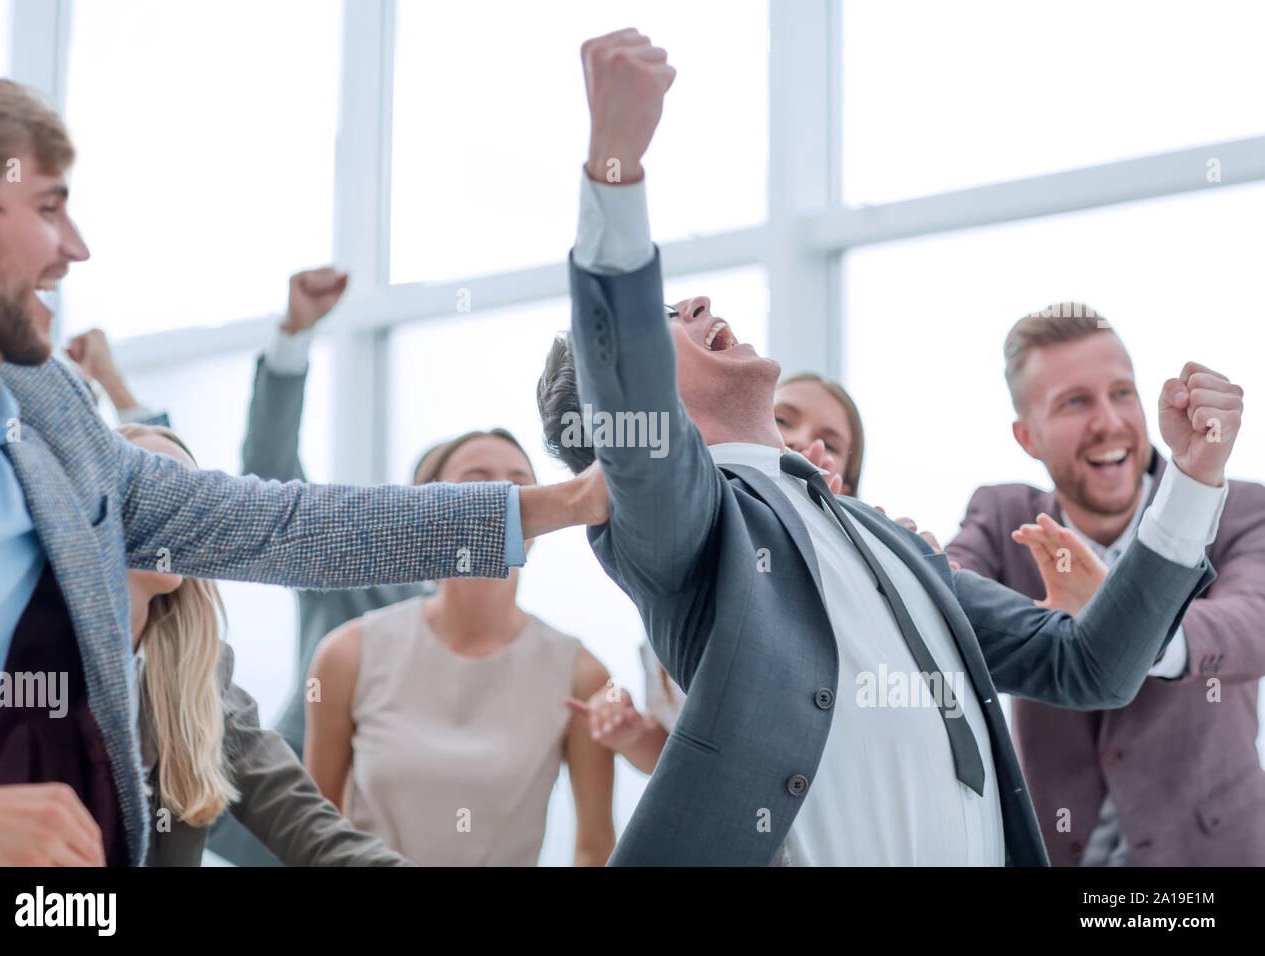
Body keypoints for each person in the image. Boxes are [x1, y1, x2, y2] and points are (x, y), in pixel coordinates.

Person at [534, 28, 1234, 866]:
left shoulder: (888, 542)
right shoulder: (685, 529)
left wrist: (1192, 479)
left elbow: (1090, 664)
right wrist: (615, 169)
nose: (700, 305)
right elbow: (627, 399)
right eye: (667, 315)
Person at [0, 76, 607, 866]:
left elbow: (277, 521)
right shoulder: (360, 643)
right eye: (47, 208)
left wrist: (569, 501)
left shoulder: (55, 421)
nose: (77, 248)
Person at [946, 305, 1265, 866]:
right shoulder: (1003, 518)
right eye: (1074, 402)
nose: (1109, 421)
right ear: (1028, 437)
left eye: (1122, 393)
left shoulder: (1239, 508)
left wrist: (1123, 617)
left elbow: (1251, 626)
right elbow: (941, 603)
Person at [305, 428, 616, 866]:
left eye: (520, 483)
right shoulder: (346, 656)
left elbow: (595, 847)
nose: (504, 497)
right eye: (477, 481)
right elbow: (315, 835)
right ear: (427, 509)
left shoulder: (581, 673)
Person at [119, 423, 412, 866]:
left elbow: (315, 832)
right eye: (157, 483)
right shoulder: (23, 656)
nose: (176, 511)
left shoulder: (199, 681)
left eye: (189, 499)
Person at [566, 372, 871, 774]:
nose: (802, 441)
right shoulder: (676, 587)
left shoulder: (863, 594)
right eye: (782, 420)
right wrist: (633, 733)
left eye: (829, 443)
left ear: (846, 487)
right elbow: (677, 756)